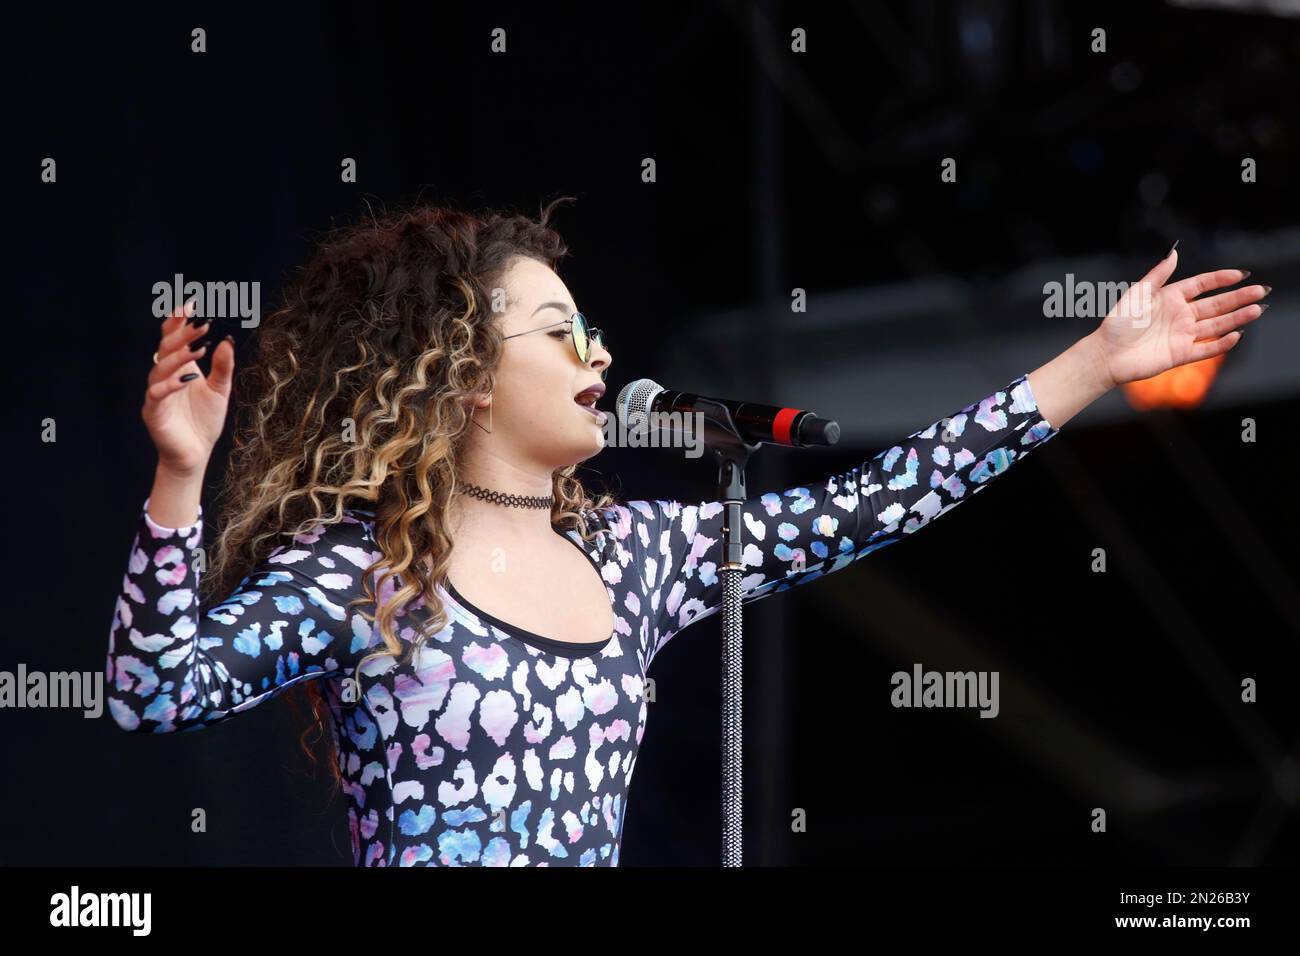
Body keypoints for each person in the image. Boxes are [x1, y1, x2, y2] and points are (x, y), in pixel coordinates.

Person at [105, 200, 1269, 866]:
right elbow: (149, 694)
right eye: (561, 332)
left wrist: (1097, 362)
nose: (599, 355)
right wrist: (178, 478)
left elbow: (871, 502)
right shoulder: (366, 569)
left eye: (596, 330)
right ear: (459, 375)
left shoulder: (635, 552)